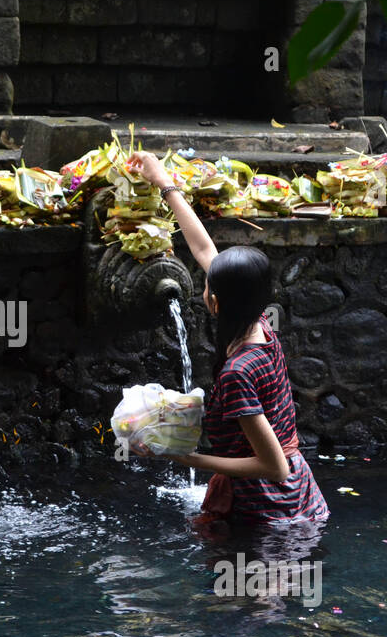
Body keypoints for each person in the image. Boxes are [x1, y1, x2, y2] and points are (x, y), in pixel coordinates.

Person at [131, 152, 329, 532]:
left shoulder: (238, 373)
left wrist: (190, 460)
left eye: (208, 285)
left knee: (245, 591)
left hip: (265, 510)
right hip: (296, 496)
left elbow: (273, 466)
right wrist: (164, 183)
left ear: (216, 300)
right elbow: (204, 250)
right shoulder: (258, 324)